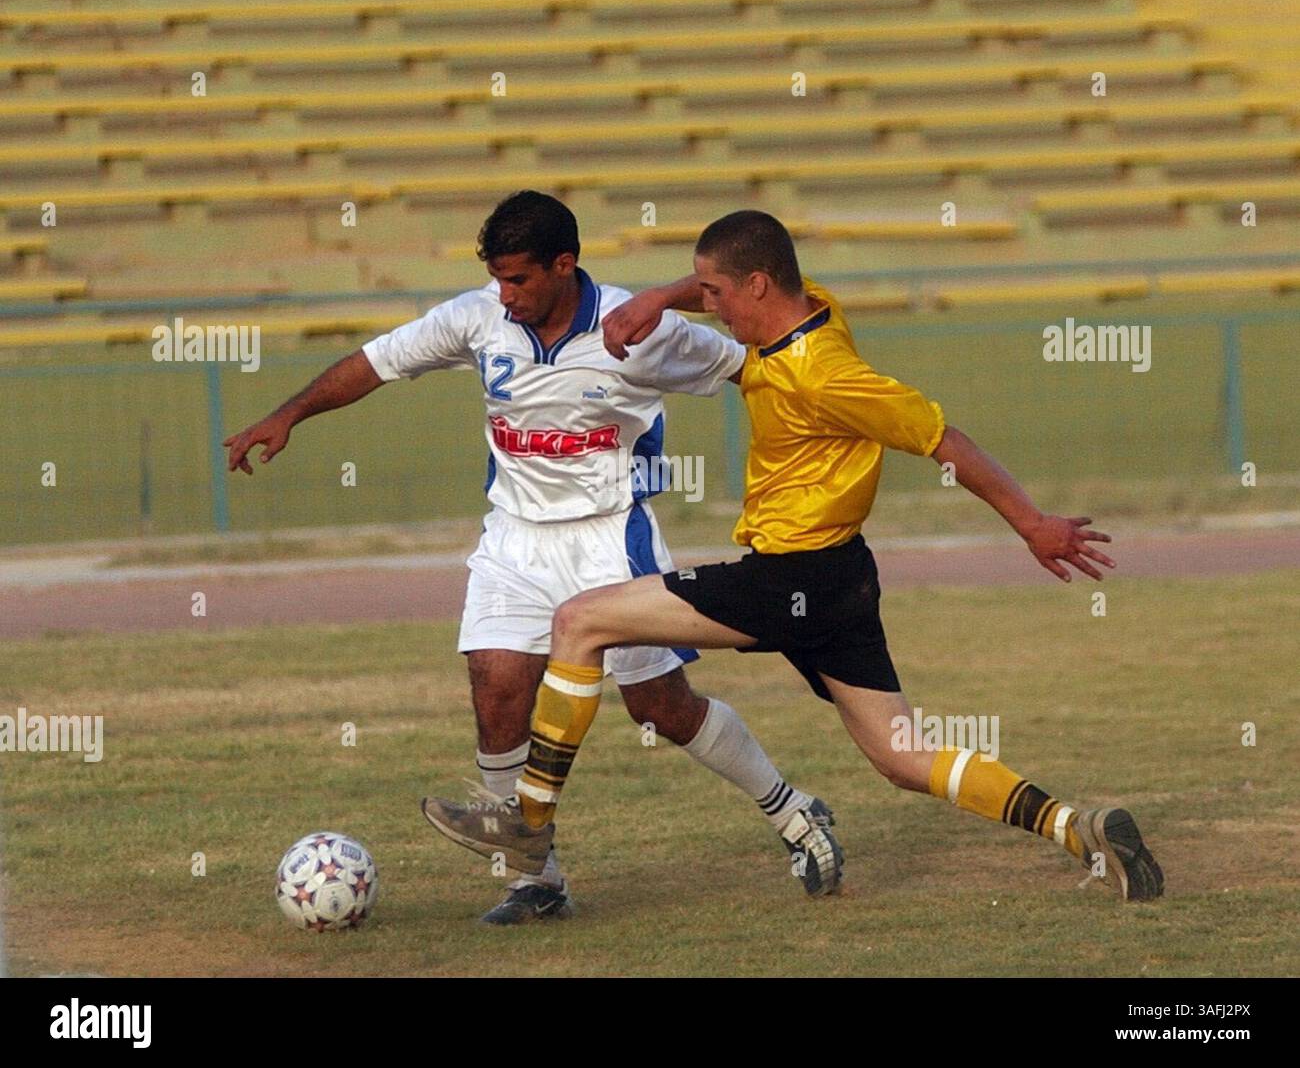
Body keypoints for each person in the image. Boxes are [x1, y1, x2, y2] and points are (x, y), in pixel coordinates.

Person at [424, 209, 1165, 904]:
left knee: (580, 620)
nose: (709, 308)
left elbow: (945, 440)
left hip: (788, 579)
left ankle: (527, 821)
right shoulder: (809, 310)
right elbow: (730, 272)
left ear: (756, 287)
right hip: (845, 579)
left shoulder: (827, 373)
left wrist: (1031, 522)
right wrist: (660, 296)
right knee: (904, 757)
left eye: (714, 294)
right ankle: (1080, 829)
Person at [224, 193, 843, 925]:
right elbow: (377, 361)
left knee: (660, 708)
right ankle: (535, 877)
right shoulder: (480, 317)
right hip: (514, 537)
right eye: (496, 278)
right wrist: (289, 411)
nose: (505, 294)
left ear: (564, 265)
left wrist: (811, 463)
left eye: (518, 279)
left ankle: (795, 811)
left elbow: (760, 367)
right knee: (496, 685)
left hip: (611, 538)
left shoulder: (641, 332)